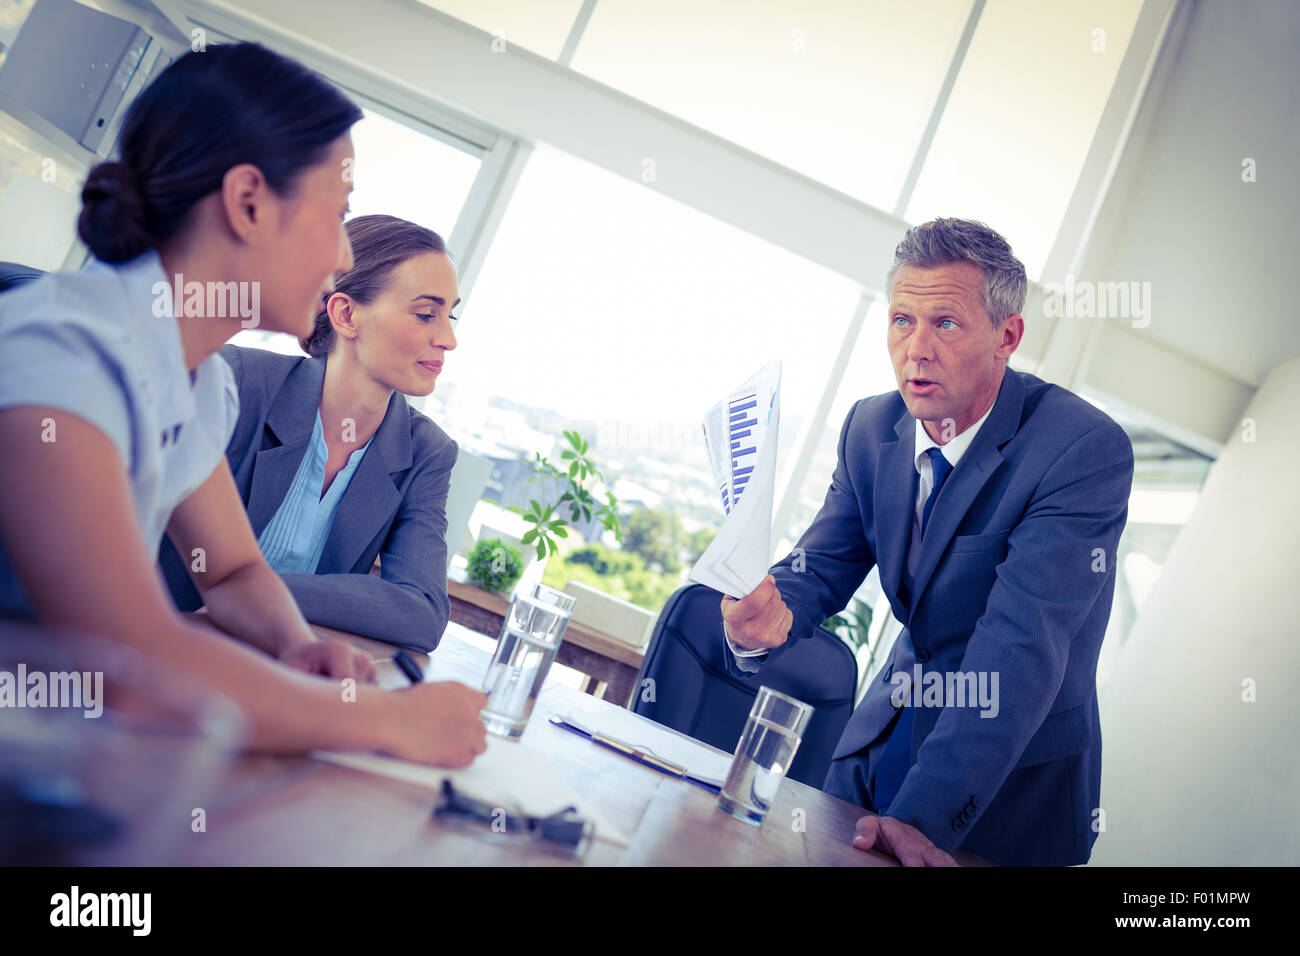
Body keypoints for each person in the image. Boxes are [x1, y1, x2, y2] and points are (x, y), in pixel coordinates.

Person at [0, 43, 486, 766]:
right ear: (248, 202)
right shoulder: (68, 354)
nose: (344, 259)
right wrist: (389, 722)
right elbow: (127, 665)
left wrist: (298, 644)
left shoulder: (194, 381)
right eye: (336, 215)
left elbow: (227, 572)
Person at [721, 218, 1134, 867]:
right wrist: (772, 614)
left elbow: (1021, 647)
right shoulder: (870, 427)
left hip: (1001, 796)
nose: (915, 348)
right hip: (880, 743)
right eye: (901, 320)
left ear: (1007, 336)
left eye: (944, 323)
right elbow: (821, 564)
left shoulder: (1079, 451)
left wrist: (921, 819)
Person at [160, 215, 459, 652]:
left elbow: (422, 612)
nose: (449, 339)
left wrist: (249, 589)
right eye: (426, 314)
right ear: (345, 314)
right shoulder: (237, 383)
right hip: (155, 651)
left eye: (451, 316)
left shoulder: (427, 452)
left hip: (280, 672)